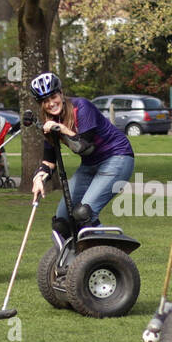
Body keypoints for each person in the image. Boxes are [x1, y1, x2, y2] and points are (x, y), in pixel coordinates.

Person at [29, 72, 135, 228]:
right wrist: (38, 178)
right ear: (41, 104)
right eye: (45, 101)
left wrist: (62, 129)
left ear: (61, 93)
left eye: (53, 97)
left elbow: (85, 147)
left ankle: (108, 252)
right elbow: (49, 161)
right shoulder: (49, 122)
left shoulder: (82, 107)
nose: (51, 103)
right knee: (61, 223)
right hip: (90, 165)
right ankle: (77, 252)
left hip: (117, 157)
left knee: (83, 214)